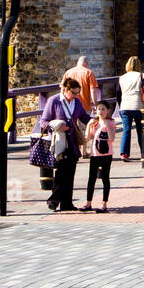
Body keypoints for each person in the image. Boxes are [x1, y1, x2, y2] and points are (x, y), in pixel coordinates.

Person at [39, 76, 90, 211]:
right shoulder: (54, 101)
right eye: (73, 92)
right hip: (59, 142)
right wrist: (56, 126)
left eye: (77, 93)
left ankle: (67, 203)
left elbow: (84, 117)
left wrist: (96, 121)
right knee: (62, 172)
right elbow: (43, 121)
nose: (75, 96)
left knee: (70, 172)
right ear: (66, 89)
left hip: (72, 142)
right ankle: (53, 200)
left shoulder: (77, 103)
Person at [81, 101, 116, 211]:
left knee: (105, 178)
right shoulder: (94, 123)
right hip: (94, 154)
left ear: (108, 111)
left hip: (106, 154)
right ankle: (88, 203)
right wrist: (88, 126)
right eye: (98, 109)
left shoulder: (111, 122)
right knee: (92, 178)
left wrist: (106, 125)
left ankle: (104, 204)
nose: (100, 111)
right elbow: (87, 138)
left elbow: (112, 139)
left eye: (103, 109)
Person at [117, 55, 144, 161]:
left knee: (126, 130)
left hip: (125, 106)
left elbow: (118, 93)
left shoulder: (122, 77)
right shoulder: (141, 76)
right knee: (140, 130)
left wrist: (121, 104)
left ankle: (124, 153)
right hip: (137, 106)